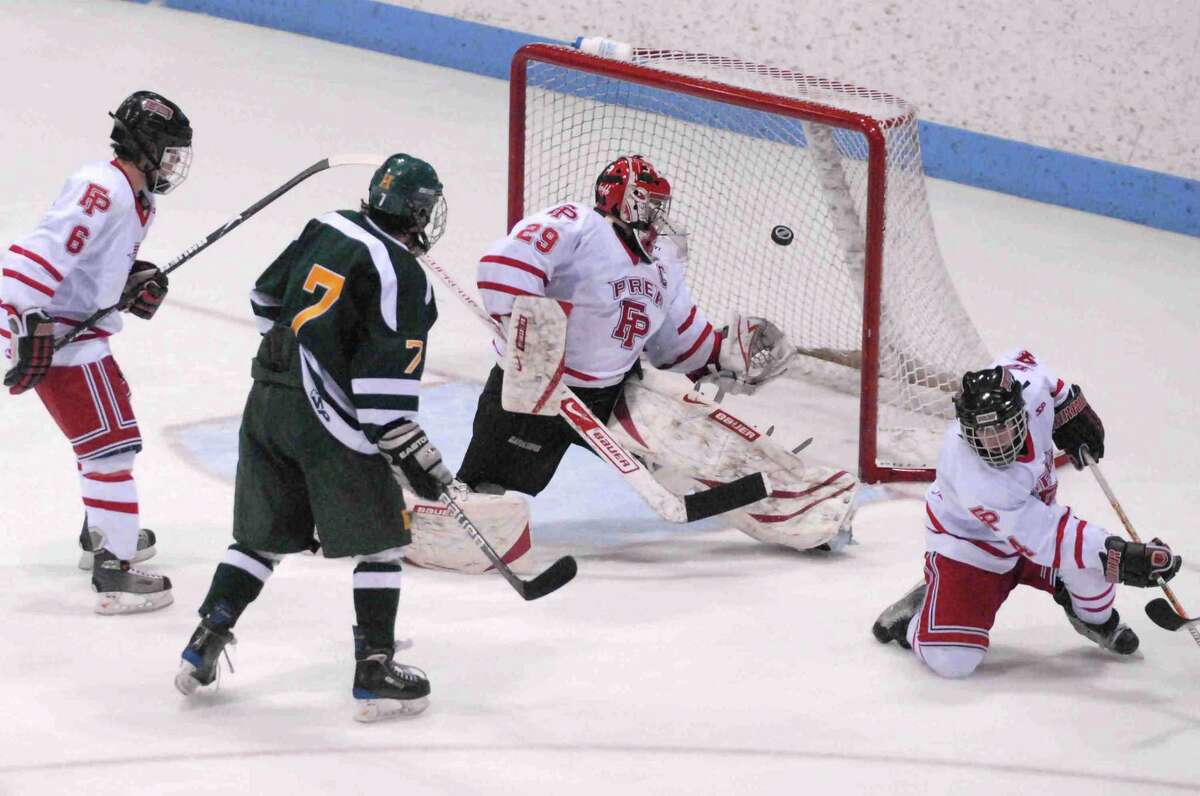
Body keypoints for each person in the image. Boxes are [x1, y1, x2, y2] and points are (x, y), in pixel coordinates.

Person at [174, 154, 452, 722]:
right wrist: (409, 451)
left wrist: (306, 355)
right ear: (418, 211)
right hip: (329, 421)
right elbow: (381, 394)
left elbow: (264, 296)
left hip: (266, 398)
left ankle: (206, 638)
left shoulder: (328, 223)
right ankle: (374, 667)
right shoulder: (403, 273)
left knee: (261, 538)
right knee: (382, 542)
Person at [451, 155, 849, 549]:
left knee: (703, 457)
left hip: (615, 394)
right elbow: (503, 264)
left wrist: (722, 354)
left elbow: (677, 341)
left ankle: (803, 516)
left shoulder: (661, 262)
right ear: (621, 199)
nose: (657, 215)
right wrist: (529, 339)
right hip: (534, 391)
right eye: (649, 203)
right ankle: (459, 530)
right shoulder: (578, 224)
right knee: (486, 486)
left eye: (661, 206)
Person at [872, 349, 1182, 677]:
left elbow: (1027, 364)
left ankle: (1093, 620)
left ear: (1019, 410)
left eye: (1001, 428)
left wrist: (1065, 401)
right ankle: (919, 613)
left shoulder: (1031, 392)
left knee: (1096, 594)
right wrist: (1119, 555)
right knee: (951, 661)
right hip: (973, 548)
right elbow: (1046, 536)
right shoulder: (973, 473)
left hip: (1037, 529)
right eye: (983, 433)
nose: (994, 442)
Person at [1, 90, 192, 614]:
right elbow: (39, 253)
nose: (174, 163)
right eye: (170, 151)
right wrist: (26, 321)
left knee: (106, 435)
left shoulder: (136, 200)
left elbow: (91, 262)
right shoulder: (101, 188)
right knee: (111, 447)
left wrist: (130, 279)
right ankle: (113, 569)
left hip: (74, 330)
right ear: (147, 146)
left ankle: (102, 533)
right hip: (57, 333)